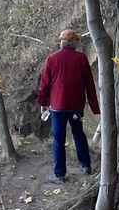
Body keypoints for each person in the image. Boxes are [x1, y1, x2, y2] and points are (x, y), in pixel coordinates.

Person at [36, 29, 99, 180]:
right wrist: (94, 105)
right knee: (78, 134)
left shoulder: (52, 59)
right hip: (76, 107)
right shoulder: (81, 59)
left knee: (58, 139)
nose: (79, 43)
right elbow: (89, 84)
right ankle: (85, 166)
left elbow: (44, 84)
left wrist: (43, 103)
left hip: (57, 107)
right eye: (78, 40)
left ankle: (60, 174)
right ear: (73, 42)